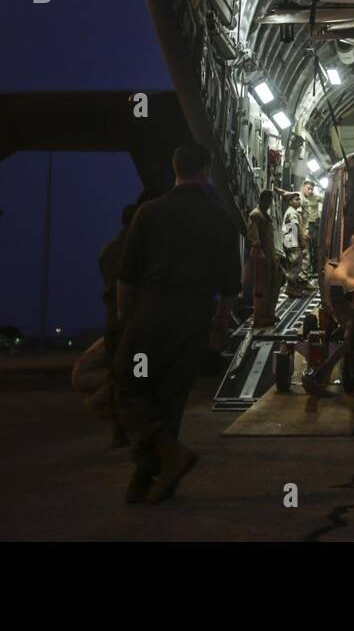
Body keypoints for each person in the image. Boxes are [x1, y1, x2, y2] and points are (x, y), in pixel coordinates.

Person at [112, 143, 239, 504]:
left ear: (174, 168)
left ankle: (166, 454)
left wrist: (125, 320)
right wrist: (219, 324)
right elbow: (231, 283)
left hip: (154, 310)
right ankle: (146, 477)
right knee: (171, 397)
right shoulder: (221, 219)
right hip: (196, 315)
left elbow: (127, 276)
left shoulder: (149, 213)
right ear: (207, 170)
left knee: (128, 383)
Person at [99, 202, 138, 447]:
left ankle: (118, 429)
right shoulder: (138, 249)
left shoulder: (109, 250)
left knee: (117, 375)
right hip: (134, 320)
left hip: (113, 318)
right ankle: (139, 428)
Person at [246, 190, 279, 330]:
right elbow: (253, 236)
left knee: (274, 283)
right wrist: (260, 253)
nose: (269, 203)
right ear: (262, 199)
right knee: (261, 287)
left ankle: (269, 313)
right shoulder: (256, 215)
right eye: (268, 200)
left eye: (271, 201)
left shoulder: (266, 215)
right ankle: (260, 318)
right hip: (261, 256)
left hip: (270, 255)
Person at [282, 192, 305, 293]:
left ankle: (292, 286)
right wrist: (301, 240)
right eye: (296, 199)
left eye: (299, 199)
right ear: (290, 202)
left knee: (292, 264)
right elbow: (295, 227)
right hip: (292, 241)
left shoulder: (291, 211)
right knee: (295, 265)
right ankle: (290, 288)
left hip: (290, 240)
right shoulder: (292, 213)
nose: (299, 201)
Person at [300, 179, 323, 279]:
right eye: (308, 188)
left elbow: (327, 200)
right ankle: (305, 270)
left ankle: (315, 269)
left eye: (312, 189)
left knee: (315, 246)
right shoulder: (299, 198)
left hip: (314, 224)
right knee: (305, 248)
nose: (310, 191)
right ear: (303, 188)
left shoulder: (316, 197)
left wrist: (321, 216)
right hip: (305, 224)